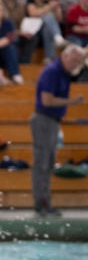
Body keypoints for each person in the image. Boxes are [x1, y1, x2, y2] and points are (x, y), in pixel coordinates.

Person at [30, 44, 85, 217]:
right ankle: (41, 203)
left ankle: (45, 201)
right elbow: (46, 101)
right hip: (43, 119)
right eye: (74, 61)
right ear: (65, 56)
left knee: (49, 163)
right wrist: (71, 102)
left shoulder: (64, 71)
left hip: (52, 121)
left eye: (79, 62)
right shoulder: (52, 71)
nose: (76, 65)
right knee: (42, 164)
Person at [23, 0, 66, 64]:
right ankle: (57, 37)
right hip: (35, 28)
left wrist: (58, 8)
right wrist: (49, 7)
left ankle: (48, 59)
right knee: (48, 16)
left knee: (47, 28)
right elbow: (32, 13)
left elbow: (59, 19)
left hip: (48, 28)